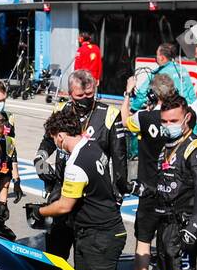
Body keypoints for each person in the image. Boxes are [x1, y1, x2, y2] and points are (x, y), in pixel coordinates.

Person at [122, 55, 197, 270]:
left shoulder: (144, 117)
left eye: (173, 121)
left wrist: (128, 93)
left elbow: (123, 120)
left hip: (156, 194)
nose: (169, 124)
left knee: (144, 244)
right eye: (166, 121)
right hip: (167, 196)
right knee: (166, 253)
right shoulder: (190, 112)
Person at [32, 104, 129, 270]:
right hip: (95, 231)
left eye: (54, 139)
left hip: (101, 236)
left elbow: (64, 206)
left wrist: (39, 211)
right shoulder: (91, 146)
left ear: (60, 136)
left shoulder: (75, 164)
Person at [34, 68, 129, 257]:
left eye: (90, 94)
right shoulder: (62, 110)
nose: (85, 98)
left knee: (85, 253)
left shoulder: (110, 114)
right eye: (80, 95)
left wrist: (118, 196)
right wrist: (40, 160)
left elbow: (120, 158)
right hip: (62, 189)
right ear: (69, 94)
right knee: (55, 250)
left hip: (91, 195)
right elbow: (47, 141)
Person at [130, 42, 197, 111]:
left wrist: (133, 108)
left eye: (157, 55)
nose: (156, 58)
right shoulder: (182, 69)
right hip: (188, 109)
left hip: (171, 111)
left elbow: (142, 94)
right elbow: (191, 91)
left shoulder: (158, 73)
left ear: (162, 58)